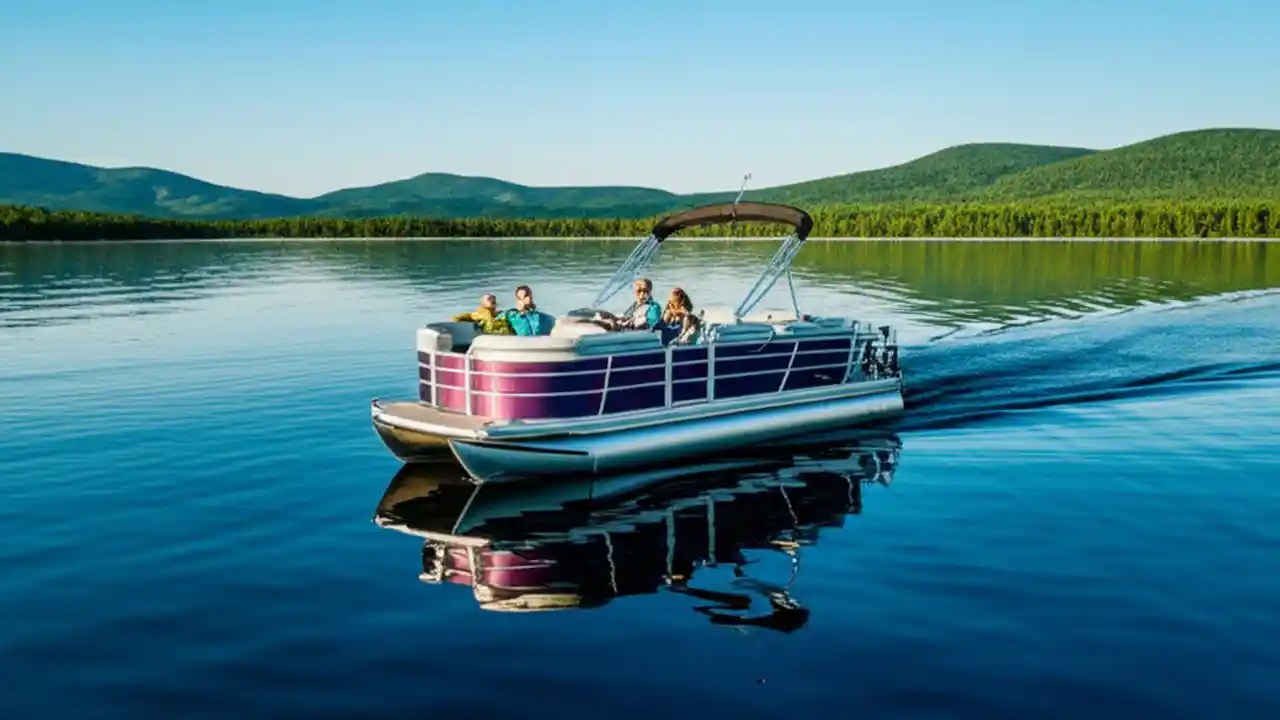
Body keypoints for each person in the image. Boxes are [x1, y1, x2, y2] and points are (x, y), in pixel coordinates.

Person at [595, 278, 661, 332]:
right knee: (603, 316)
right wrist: (614, 318)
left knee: (610, 323)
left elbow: (651, 326)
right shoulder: (635, 305)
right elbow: (626, 317)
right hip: (627, 327)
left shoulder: (653, 307)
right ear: (634, 292)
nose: (641, 295)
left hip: (638, 332)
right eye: (639, 291)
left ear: (650, 291)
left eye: (645, 291)